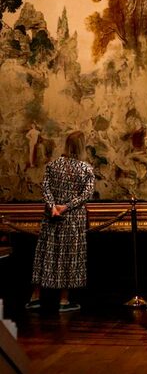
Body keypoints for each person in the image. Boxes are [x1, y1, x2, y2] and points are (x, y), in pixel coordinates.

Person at [26, 130, 95, 312]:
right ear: (81, 146)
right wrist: (66, 206)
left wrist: (53, 207)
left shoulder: (52, 165)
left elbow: (45, 188)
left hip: (52, 217)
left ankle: (35, 297)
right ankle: (64, 301)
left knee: (45, 254)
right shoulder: (86, 169)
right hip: (73, 219)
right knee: (69, 258)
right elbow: (86, 195)